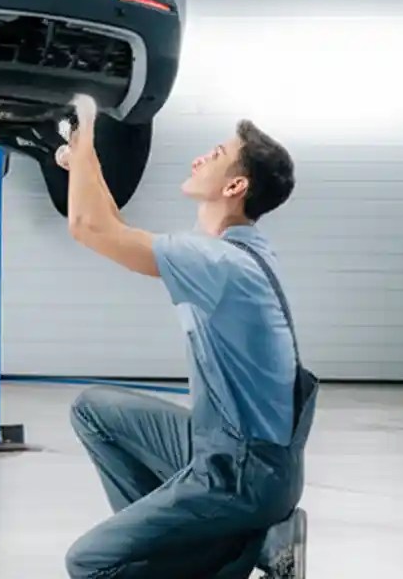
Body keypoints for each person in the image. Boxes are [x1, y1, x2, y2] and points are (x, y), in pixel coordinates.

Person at [54, 96, 317, 579]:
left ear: (235, 186)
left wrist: (85, 122)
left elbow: (88, 227)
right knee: (93, 411)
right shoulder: (232, 252)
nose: (200, 158)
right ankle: (233, 545)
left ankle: (229, 553)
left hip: (243, 473)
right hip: (240, 455)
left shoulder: (219, 263)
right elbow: (112, 226)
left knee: (89, 564)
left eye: (215, 154)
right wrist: (83, 162)